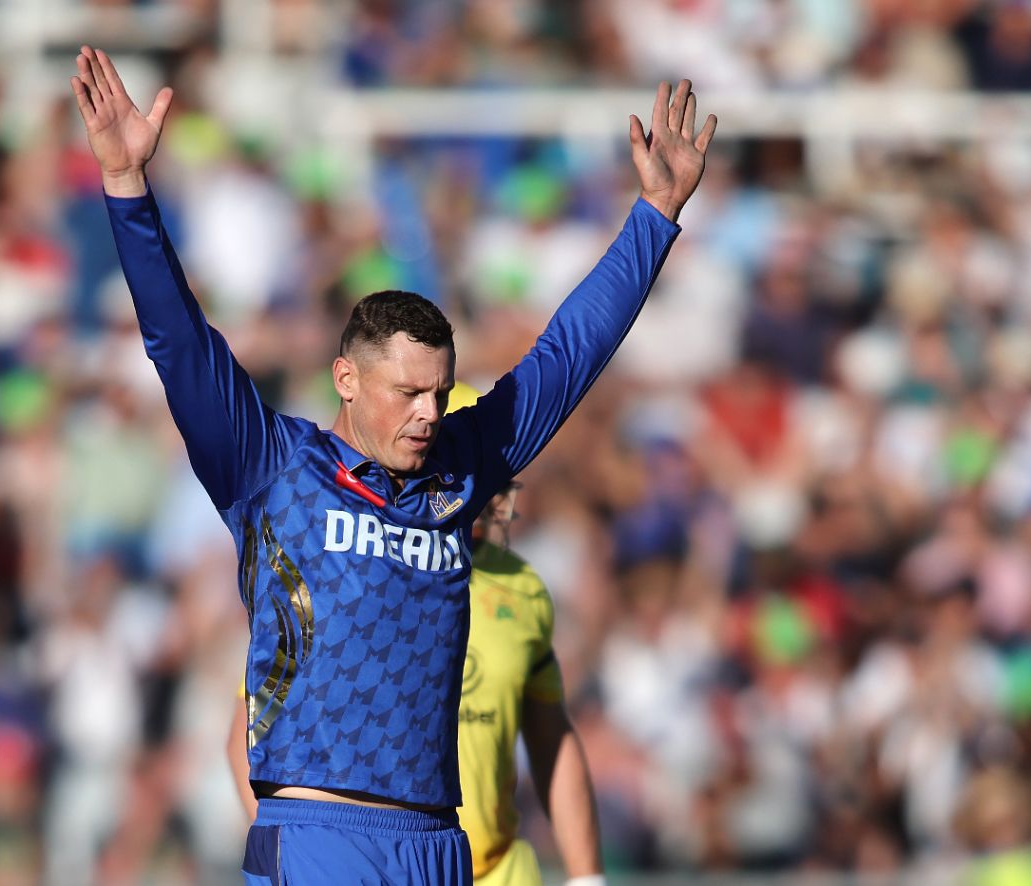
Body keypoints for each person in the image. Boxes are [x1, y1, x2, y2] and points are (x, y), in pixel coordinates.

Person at [71, 45, 715, 884]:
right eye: (408, 392)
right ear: (347, 378)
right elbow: (177, 340)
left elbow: (566, 356)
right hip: (317, 833)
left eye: (439, 392)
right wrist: (127, 187)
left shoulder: (459, 471)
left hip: (439, 847)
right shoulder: (270, 465)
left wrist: (655, 215)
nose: (427, 412)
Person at [227, 383, 606, 886]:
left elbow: (550, 736)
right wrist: (305, 852)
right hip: (362, 857)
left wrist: (587, 878)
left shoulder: (523, 589)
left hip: (491, 869)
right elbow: (249, 733)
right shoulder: (346, 567)